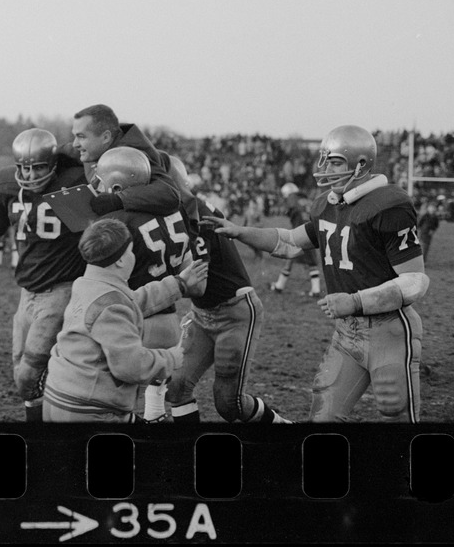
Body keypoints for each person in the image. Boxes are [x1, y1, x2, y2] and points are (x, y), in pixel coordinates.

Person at [204, 125, 429, 423]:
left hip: (389, 331)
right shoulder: (328, 205)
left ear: (360, 165)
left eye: (335, 162)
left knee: (396, 412)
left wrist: (355, 301)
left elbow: (415, 280)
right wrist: (241, 232)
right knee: (323, 416)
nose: (325, 169)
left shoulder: (389, 205)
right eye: (324, 160)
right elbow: (288, 242)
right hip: (347, 333)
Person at [0, 128, 88, 422]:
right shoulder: (5, 185)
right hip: (27, 292)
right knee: (23, 376)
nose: (29, 175)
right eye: (23, 168)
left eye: (38, 167)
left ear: (53, 164)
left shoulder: (70, 185)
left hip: (61, 290)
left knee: (28, 375)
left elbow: (93, 237)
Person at [164, 157, 291, 424]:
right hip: (202, 313)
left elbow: (199, 284)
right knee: (176, 387)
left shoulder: (190, 212)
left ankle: (285, 428)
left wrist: (159, 288)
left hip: (235, 311)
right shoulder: (183, 207)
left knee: (228, 404)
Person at [42, 218, 206, 423]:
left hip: (61, 397)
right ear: (120, 260)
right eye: (130, 251)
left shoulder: (87, 284)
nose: (133, 256)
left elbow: (130, 301)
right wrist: (171, 358)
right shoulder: (111, 305)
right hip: (90, 410)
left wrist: (179, 284)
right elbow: (130, 366)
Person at [91, 146, 196, 422]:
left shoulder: (115, 221)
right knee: (155, 400)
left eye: (101, 181)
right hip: (169, 320)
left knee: (108, 405)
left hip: (135, 320)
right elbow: (187, 262)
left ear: (117, 185)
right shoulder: (176, 211)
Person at [70, 104, 181, 217]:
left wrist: (118, 199)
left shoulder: (132, 158)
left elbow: (169, 193)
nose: (75, 144)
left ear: (106, 137)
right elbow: (68, 149)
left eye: (81, 137)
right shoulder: (95, 148)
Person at [269, 183, 322, 297]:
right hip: (309, 230)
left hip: (303, 232)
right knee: (290, 257)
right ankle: (279, 285)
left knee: (310, 261)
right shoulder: (305, 200)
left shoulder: (294, 203)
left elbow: (294, 215)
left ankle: (316, 289)